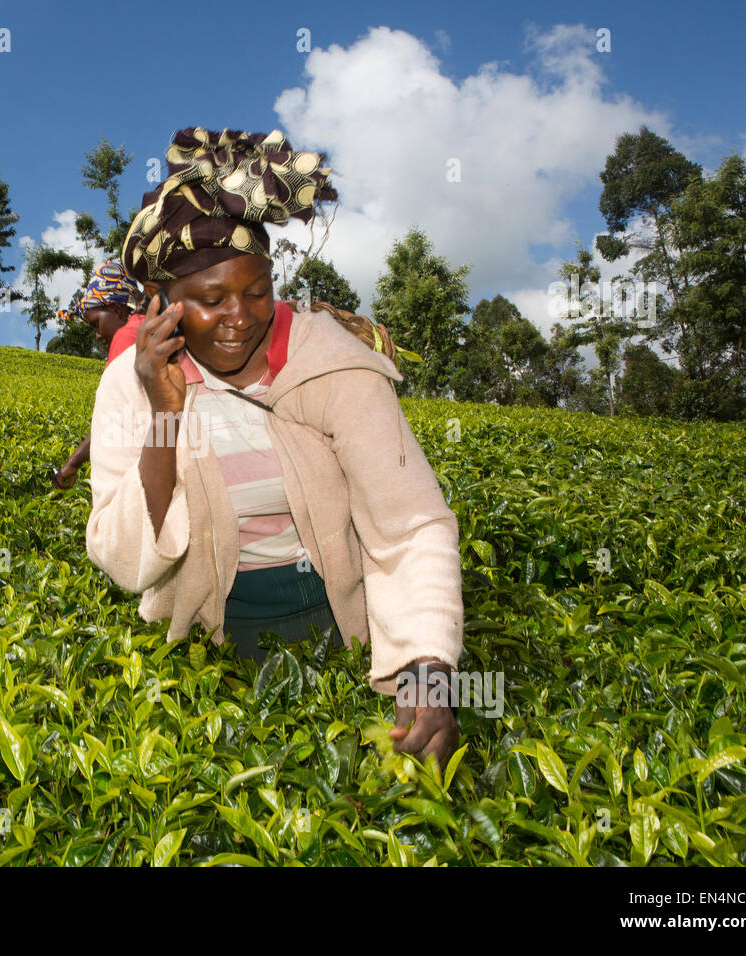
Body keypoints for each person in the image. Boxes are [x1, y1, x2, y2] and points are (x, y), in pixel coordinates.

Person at [86, 128, 465, 765]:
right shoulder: (129, 383)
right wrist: (163, 416)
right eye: (210, 300)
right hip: (205, 630)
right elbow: (125, 558)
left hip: (341, 620)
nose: (241, 316)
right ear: (163, 305)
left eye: (257, 290)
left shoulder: (332, 365)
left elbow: (408, 524)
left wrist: (426, 669)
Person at [50, 260, 146, 489]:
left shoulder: (127, 336)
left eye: (96, 324)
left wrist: (71, 464)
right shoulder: (147, 326)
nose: (98, 336)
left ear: (115, 310)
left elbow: (111, 417)